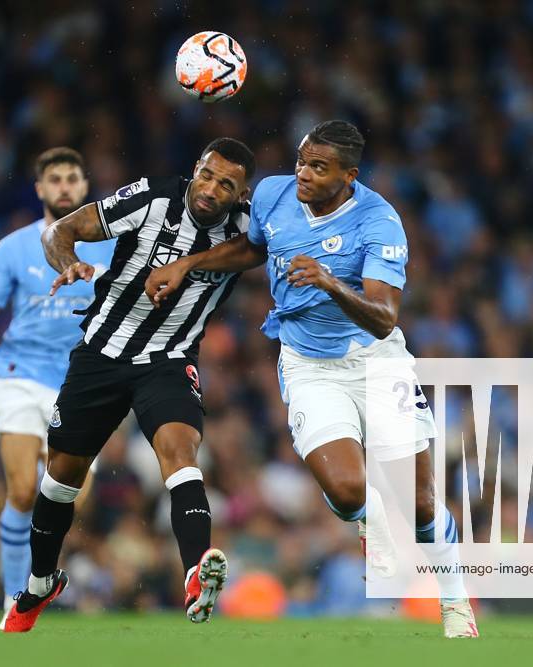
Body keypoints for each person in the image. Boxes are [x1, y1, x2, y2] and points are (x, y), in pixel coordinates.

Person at [146, 120, 479, 638]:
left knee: (418, 502)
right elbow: (254, 249)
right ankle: (371, 521)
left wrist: (328, 281)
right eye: (302, 160)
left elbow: (385, 315)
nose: (303, 172)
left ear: (349, 175)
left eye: (318, 167)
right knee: (348, 491)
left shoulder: (378, 221)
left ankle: (455, 599)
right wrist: (190, 263)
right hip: (308, 365)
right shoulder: (276, 195)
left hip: (376, 359)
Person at [2, 137, 256, 632]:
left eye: (227, 185)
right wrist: (68, 261)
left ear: (240, 194)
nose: (211, 190)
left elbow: (251, 253)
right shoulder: (152, 197)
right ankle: (39, 583)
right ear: (194, 168)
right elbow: (61, 230)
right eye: (207, 175)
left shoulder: (245, 229)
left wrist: (185, 264)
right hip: (100, 353)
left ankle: (196, 574)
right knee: (60, 480)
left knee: (180, 452)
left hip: (169, 358)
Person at [0, 147, 116, 628]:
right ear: (39, 189)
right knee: (20, 489)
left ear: (85, 187)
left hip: (82, 384)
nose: (63, 186)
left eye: (72, 179)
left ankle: (39, 571)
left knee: (71, 501)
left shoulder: (111, 244)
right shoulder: (14, 247)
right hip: (19, 376)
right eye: (54, 179)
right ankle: (14, 600)